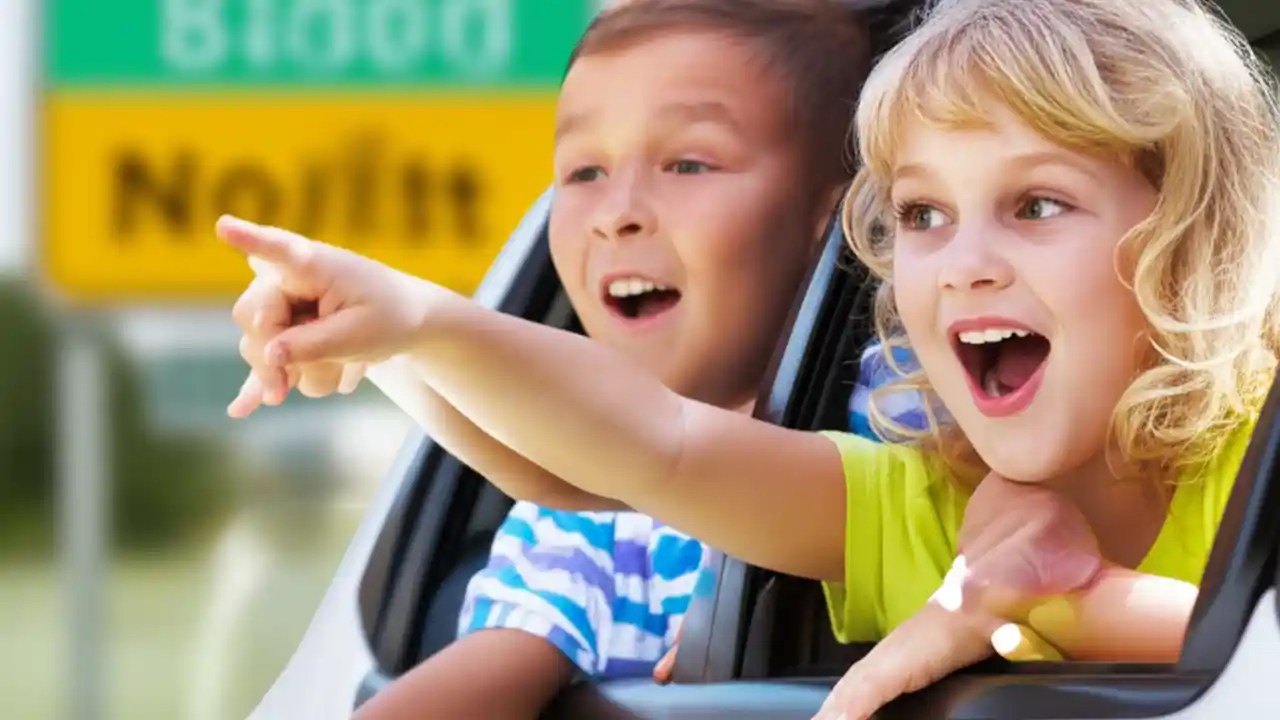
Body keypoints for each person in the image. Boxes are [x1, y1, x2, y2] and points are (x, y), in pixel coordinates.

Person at [219, 0, 1280, 717]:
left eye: (1035, 204)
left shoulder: (1257, 470)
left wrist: (1048, 606)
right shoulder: (929, 509)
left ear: (1192, 238)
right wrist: (418, 326)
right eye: (921, 214)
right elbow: (653, 451)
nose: (961, 266)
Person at [227, 1, 873, 717]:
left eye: (688, 163)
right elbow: (563, 474)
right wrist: (390, 340)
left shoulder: (906, 419)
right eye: (584, 171)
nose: (615, 211)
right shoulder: (588, 527)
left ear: (839, 218)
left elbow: (644, 454)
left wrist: (410, 329)